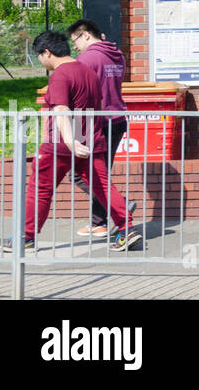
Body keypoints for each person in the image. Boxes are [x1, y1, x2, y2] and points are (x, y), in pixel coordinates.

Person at [0, 31, 141, 254]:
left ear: (47, 52)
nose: (41, 61)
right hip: (91, 138)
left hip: (62, 143)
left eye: (40, 56)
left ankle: (26, 237)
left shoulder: (60, 75)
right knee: (102, 186)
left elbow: (61, 109)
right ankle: (126, 228)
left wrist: (70, 141)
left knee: (40, 189)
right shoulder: (88, 72)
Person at [67, 19, 132, 238]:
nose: (74, 46)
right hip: (117, 119)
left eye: (75, 40)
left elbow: (78, 93)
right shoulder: (117, 54)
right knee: (99, 173)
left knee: (79, 174)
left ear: (85, 35)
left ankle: (119, 206)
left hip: (96, 122)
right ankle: (99, 223)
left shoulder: (86, 59)